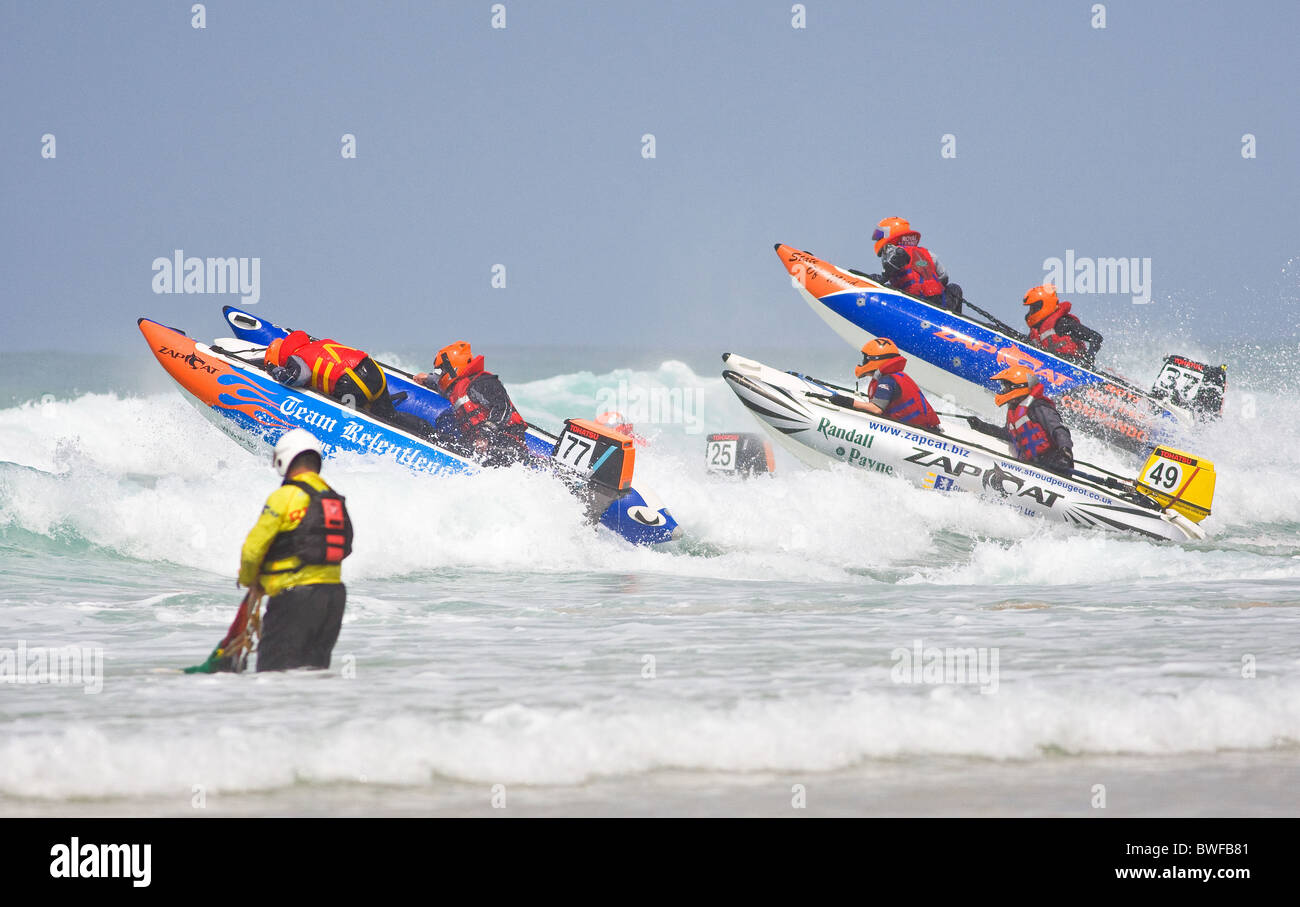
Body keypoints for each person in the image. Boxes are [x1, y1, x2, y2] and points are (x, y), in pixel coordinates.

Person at [238, 428, 351, 671]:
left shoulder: (286, 496)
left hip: (294, 600)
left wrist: (249, 581)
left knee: (275, 675)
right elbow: (345, 546)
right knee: (313, 675)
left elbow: (252, 551)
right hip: (334, 600)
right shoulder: (334, 499)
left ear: (284, 459)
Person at [264, 330, 435, 438]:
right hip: (374, 373)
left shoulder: (295, 356)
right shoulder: (317, 344)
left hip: (351, 386)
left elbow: (300, 375)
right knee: (390, 416)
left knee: (359, 422)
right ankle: (431, 434)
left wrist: (276, 373)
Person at [413, 342, 530, 466]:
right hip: (479, 445)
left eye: (442, 370)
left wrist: (485, 435)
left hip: (505, 443)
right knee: (441, 429)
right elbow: (443, 386)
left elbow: (504, 408)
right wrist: (427, 378)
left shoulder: (483, 383)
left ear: (453, 367)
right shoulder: (458, 388)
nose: (440, 374)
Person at [965, 365, 1075, 476]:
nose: (1003, 391)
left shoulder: (1038, 406)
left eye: (1007, 387)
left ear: (1018, 387)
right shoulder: (1014, 410)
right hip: (1033, 465)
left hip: (1054, 463)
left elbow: (1059, 429)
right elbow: (1009, 435)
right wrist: (981, 426)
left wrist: (1065, 452)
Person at [829, 338, 941, 429]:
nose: (863, 363)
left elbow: (876, 409)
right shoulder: (897, 376)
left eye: (866, 360)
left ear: (875, 360)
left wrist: (847, 402)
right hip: (925, 428)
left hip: (916, 434)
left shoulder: (887, 380)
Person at [869, 217, 964, 314]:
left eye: (879, 234)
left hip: (911, 303)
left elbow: (897, 258)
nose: (877, 238)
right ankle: (955, 320)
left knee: (875, 281)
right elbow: (944, 277)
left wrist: (881, 279)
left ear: (891, 233)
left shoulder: (893, 249)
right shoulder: (927, 253)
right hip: (939, 303)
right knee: (954, 288)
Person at [1022, 284, 1103, 368]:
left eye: (1033, 308)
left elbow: (1096, 338)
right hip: (1049, 369)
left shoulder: (1062, 323)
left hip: (1074, 367)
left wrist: (1088, 361)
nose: (1030, 313)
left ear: (1043, 306)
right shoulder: (1036, 331)